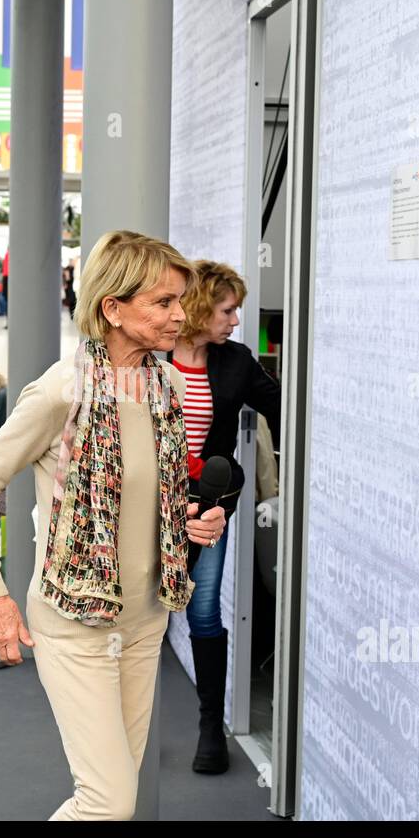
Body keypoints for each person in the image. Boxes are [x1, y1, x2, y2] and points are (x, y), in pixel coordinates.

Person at [0, 230, 226, 820]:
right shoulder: (61, 390)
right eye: (164, 302)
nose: (180, 315)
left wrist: (188, 521)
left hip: (144, 620)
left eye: (180, 300)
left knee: (113, 797)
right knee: (108, 804)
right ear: (113, 307)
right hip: (74, 622)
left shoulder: (168, 386)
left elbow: (147, 499)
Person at [170, 260, 281, 774]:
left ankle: (210, 725)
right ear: (198, 307)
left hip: (209, 502)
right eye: (227, 309)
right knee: (139, 613)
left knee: (204, 610)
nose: (236, 320)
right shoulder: (151, 356)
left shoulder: (235, 360)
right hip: (149, 505)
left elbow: (284, 406)